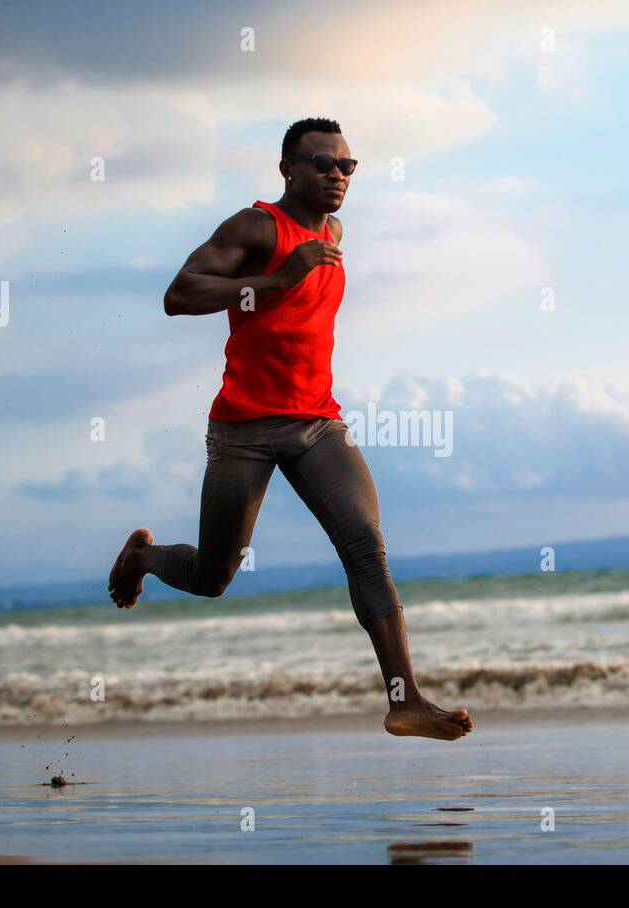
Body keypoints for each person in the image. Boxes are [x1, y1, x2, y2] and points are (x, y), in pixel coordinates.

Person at [108, 118, 473, 741]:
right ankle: (142, 556)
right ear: (288, 170)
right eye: (324, 164)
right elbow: (179, 294)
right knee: (213, 578)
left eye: (348, 166)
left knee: (366, 547)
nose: (338, 175)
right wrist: (278, 279)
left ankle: (405, 699)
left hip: (317, 422)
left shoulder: (334, 231)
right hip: (243, 431)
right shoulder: (254, 228)